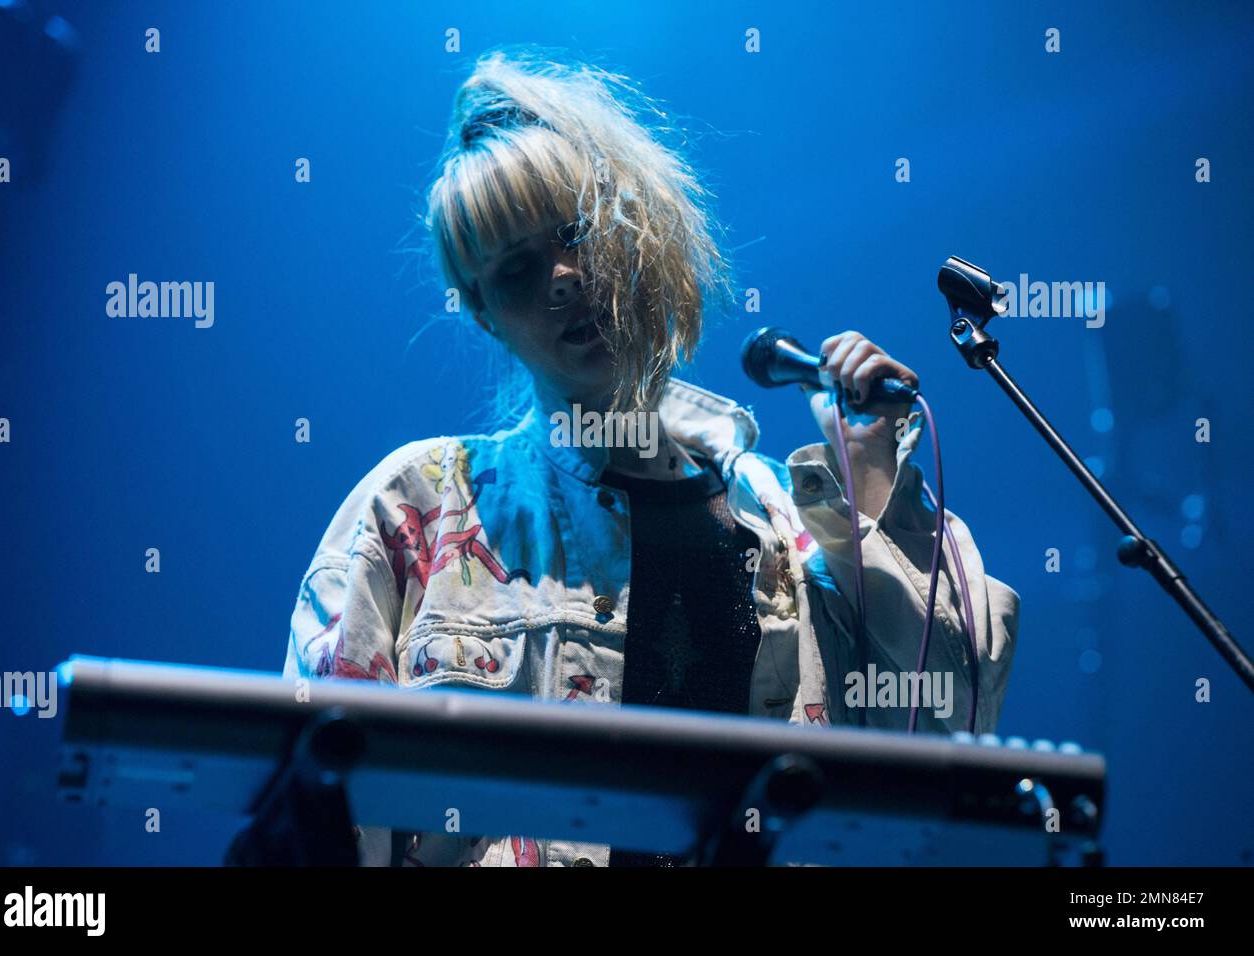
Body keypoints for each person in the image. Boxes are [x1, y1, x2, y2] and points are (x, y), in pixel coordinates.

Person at [283, 47, 1019, 867]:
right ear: (487, 317)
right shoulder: (418, 507)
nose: (562, 277)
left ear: (639, 227)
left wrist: (872, 491)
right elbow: (315, 815)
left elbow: (944, 736)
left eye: (575, 233)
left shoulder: (781, 520)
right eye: (517, 270)